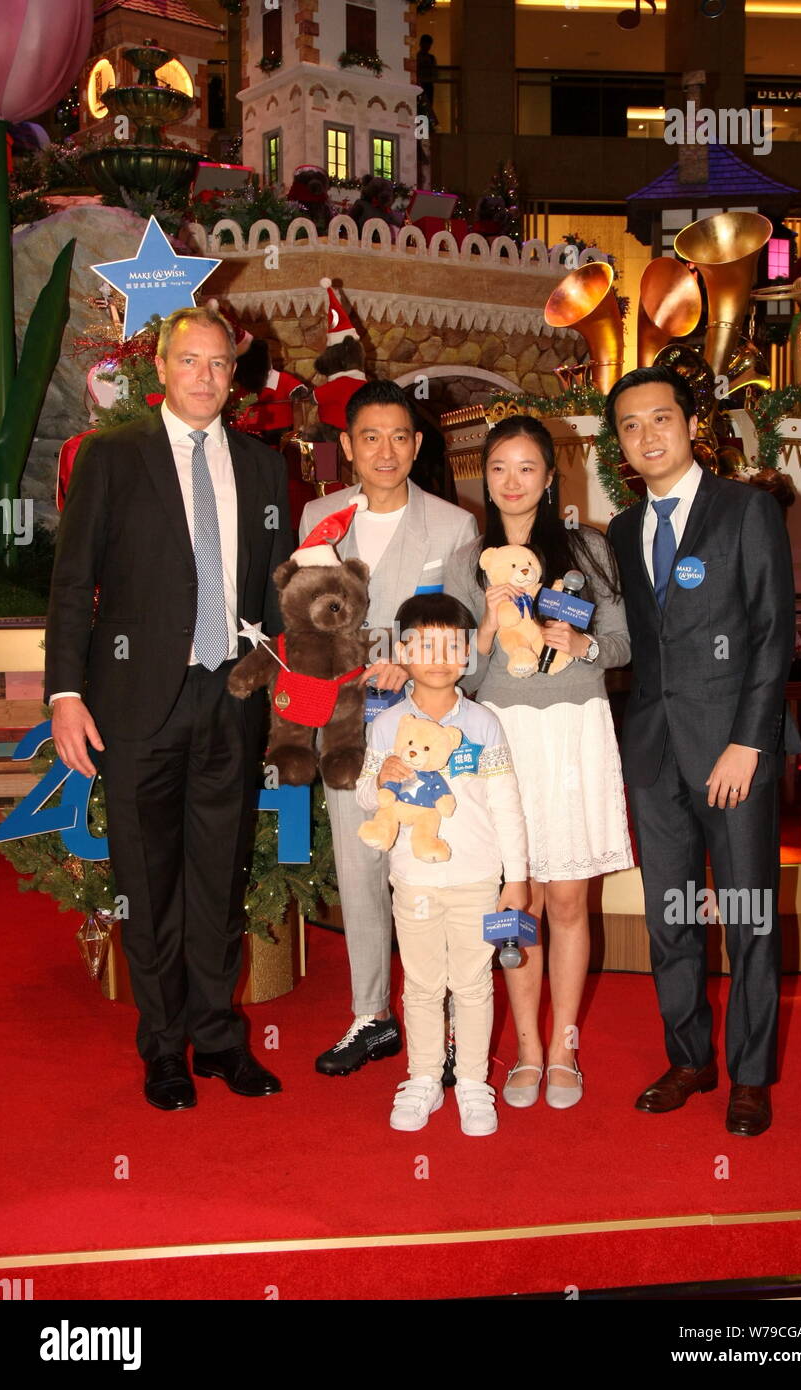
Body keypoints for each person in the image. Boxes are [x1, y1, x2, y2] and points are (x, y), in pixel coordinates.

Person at [44, 307, 293, 1111]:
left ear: (233, 375)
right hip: (134, 702)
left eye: (220, 365)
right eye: (191, 361)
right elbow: (71, 580)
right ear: (162, 367)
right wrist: (66, 693)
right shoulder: (111, 457)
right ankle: (163, 1050)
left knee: (219, 879)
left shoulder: (261, 466)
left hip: (230, 698)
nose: (206, 377)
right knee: (147, 885)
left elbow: (275, 589)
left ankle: (219, 1038)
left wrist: (279, 682)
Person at [605, 364, 795, 1138]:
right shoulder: (622, 530)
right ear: (618, 442)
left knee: (748, 914)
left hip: (733, 754)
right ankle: (689, 1058)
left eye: (660, 418)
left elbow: (773, 633)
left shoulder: (746, 510)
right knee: (669, 917)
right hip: (653, 751)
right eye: (630, 425)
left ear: (691, 425)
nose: (647, 435)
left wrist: (749, 742)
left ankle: (750, 1076)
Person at [445, 415, 633, 1111]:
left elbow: (622, 643)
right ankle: (524, 1046)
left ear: (550, 479)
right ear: (485, 479)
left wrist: (584, 648)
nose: (513, 482)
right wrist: (491, 631)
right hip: (501, 738)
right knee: (516, 899)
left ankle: (564, 1047)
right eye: (499, 469)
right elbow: (457, 675)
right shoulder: (469, 561)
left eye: (527, 468)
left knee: (567, 899)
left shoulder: (589, 549)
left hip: (575, 733)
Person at [299, 378, 478, 1075]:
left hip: (423, 725)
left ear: (417, 445)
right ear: (346, 445)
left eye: (399, 436)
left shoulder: (452, 525)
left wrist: (414, 658)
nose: (385, 450)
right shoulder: (320, 515)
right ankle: (371, 1014)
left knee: (430, 861)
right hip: (345, 723)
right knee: (360, 863)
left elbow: (464, 629)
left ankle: (453, 1013)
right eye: (369, 436)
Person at [355, 593, 528, 1135]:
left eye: (451, 645)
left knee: (475, 983)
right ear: (402, 650)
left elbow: (505, 804)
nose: (437, 656)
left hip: (478, 881)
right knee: (424, 986)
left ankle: (474, 1082)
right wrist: (378, 783)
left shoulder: (483, 724)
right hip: (413, 881)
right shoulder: (385, 726)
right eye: (423, 644)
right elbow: (365, 793)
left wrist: (516, 879)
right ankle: (424, 1078)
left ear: (467, 655)